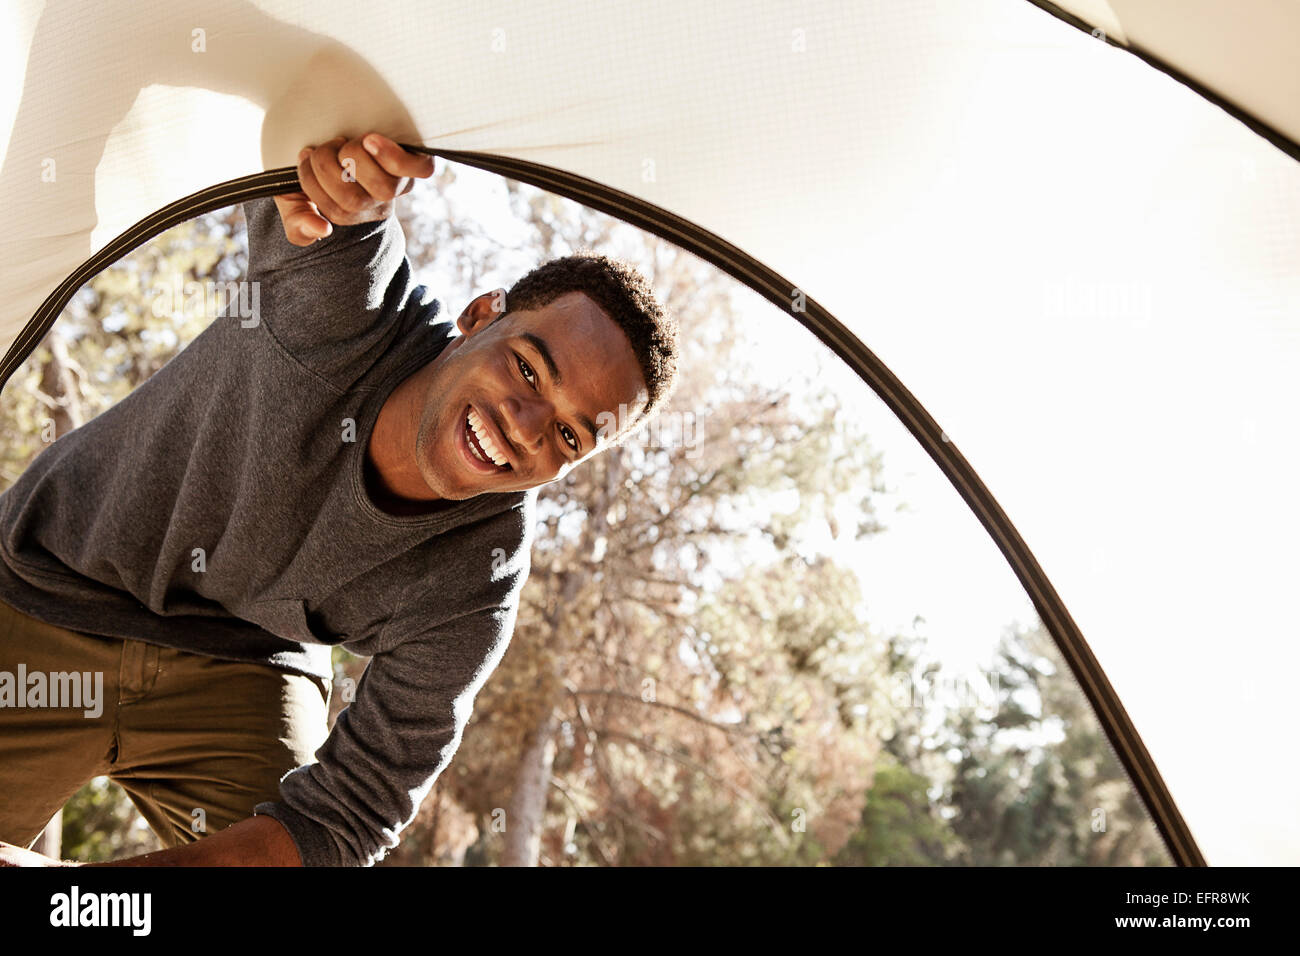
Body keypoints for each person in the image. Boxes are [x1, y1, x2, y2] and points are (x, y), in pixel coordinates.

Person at [0, 132, 678, 866]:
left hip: (242, 660)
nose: (525, 427)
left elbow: (341, 823)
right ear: (481, 315)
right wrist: (328, 160)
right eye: (529, 370)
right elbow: (304, 152)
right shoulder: (338, 304)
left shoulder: (477, 582)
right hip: (43, 588)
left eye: (570, 438)